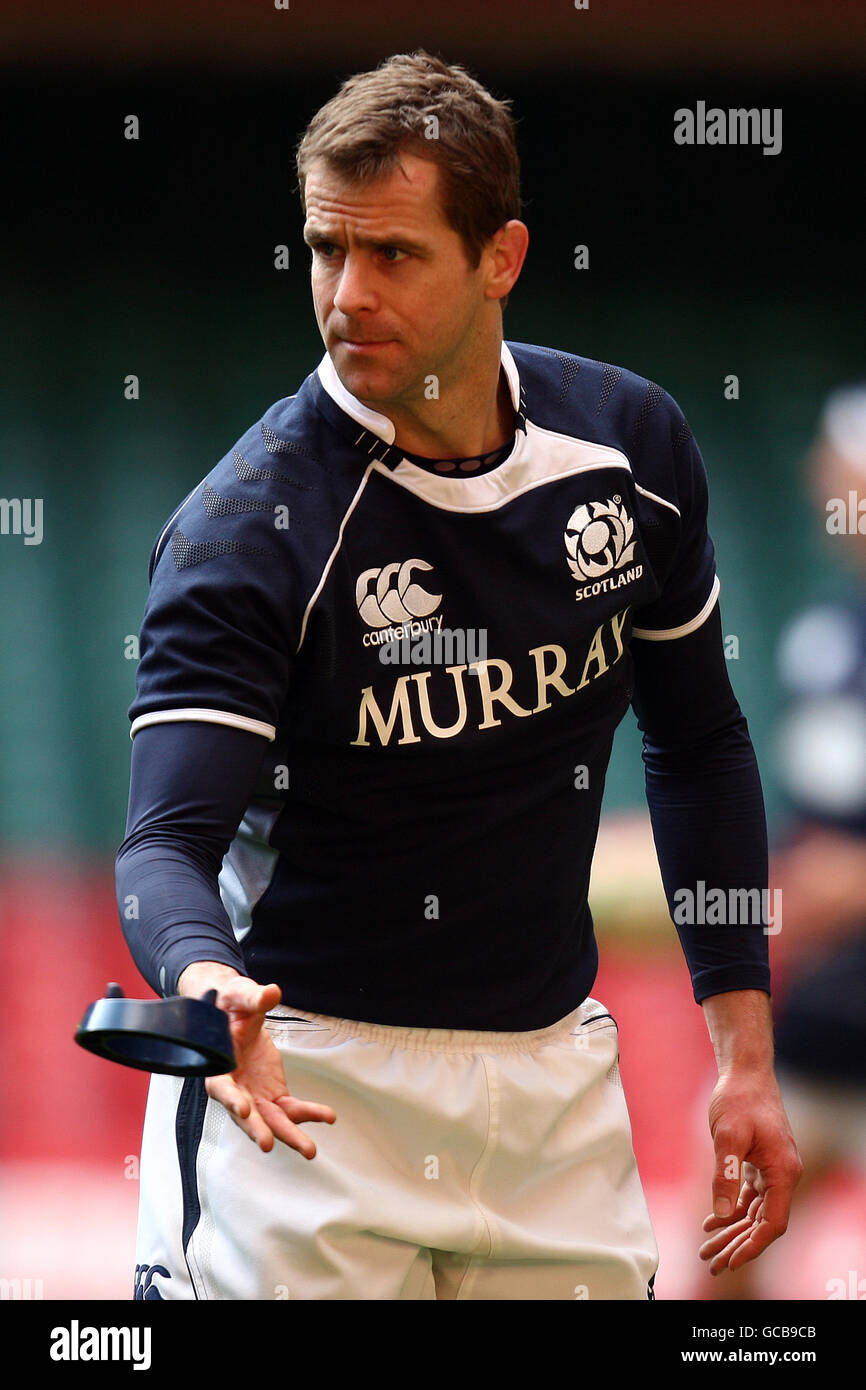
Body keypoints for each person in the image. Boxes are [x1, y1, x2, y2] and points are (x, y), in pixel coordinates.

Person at [116, 49, 801, 1301]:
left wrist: (740, 1054)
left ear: (500, 257)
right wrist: (205, 982)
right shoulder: (244, 533)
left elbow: (698, 741)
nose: (345, 294)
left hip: (550, 1091)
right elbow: (163, 840)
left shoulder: (629, 448)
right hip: (303, 1092)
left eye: (393, 255)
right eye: (326, 249)